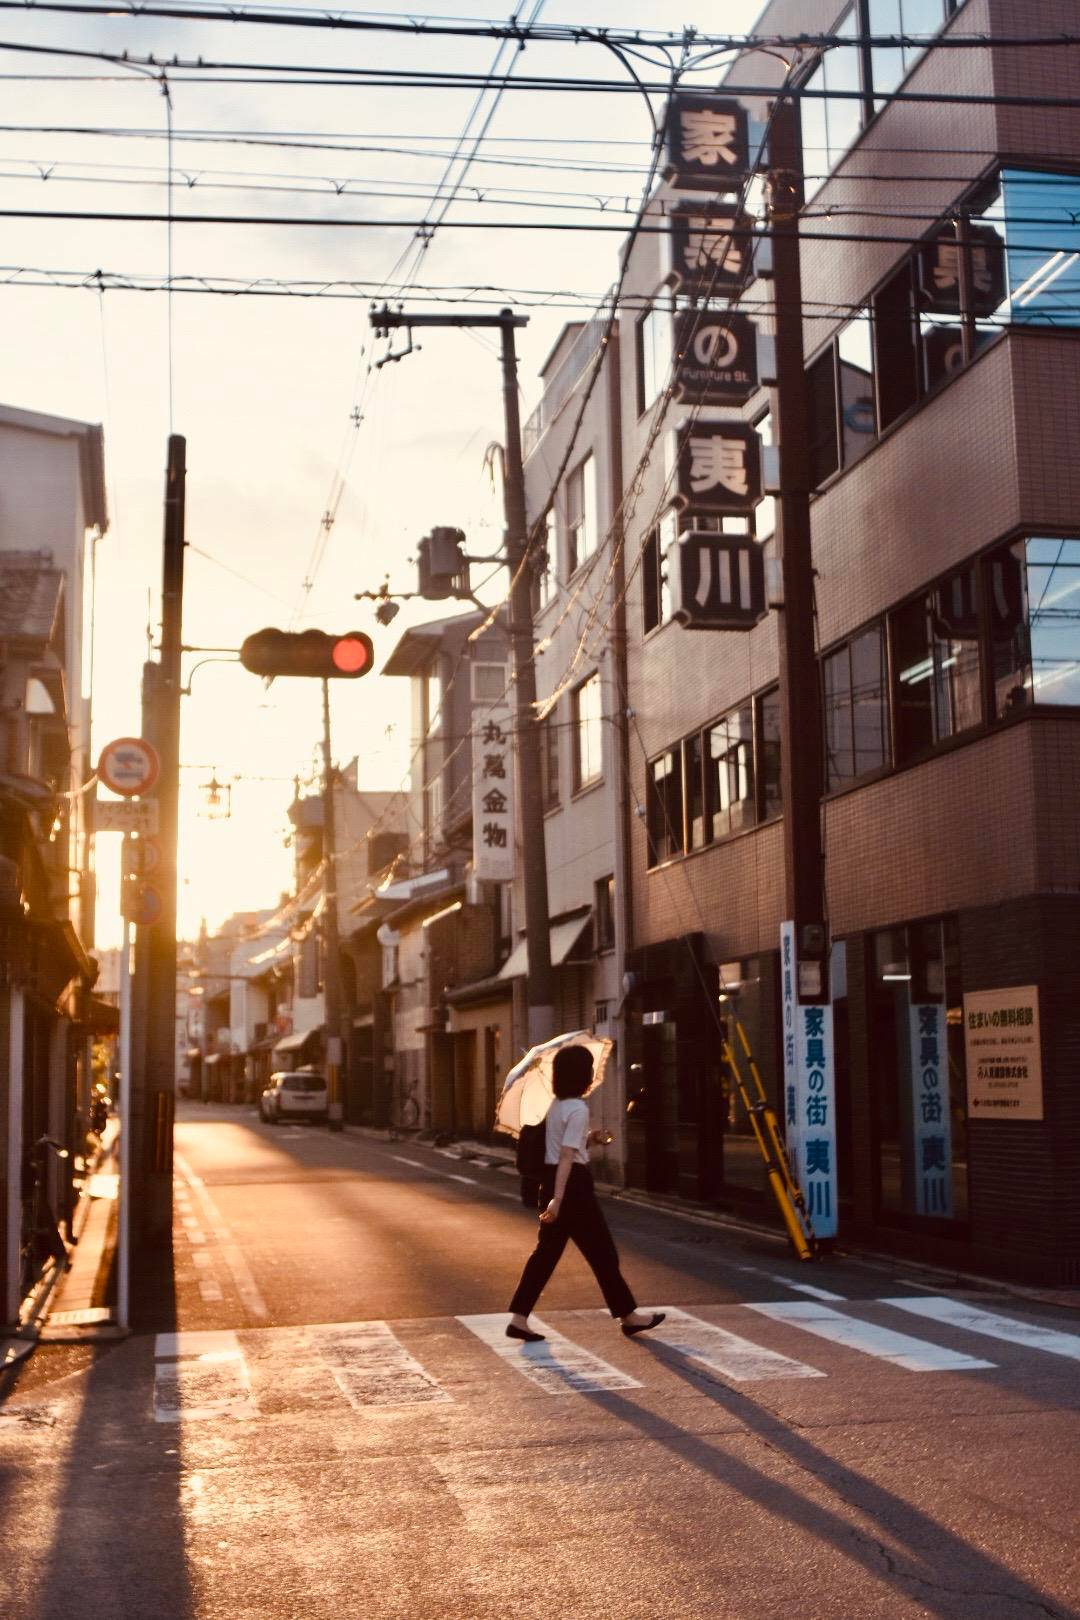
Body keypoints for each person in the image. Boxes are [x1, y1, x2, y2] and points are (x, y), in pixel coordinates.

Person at [506, 1044, 664, 1343]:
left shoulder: (553, 1106)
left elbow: (562, 1148)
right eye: (589, 1067)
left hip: (554, 1180)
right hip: (573, 1188)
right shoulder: (577, 1108)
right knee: (603, 1253)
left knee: (546, 1256)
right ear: (582, 1074)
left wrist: (589, 1139)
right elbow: (567, 1155)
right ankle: (628, 1316)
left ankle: (518, 1317)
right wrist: (559, 1199)